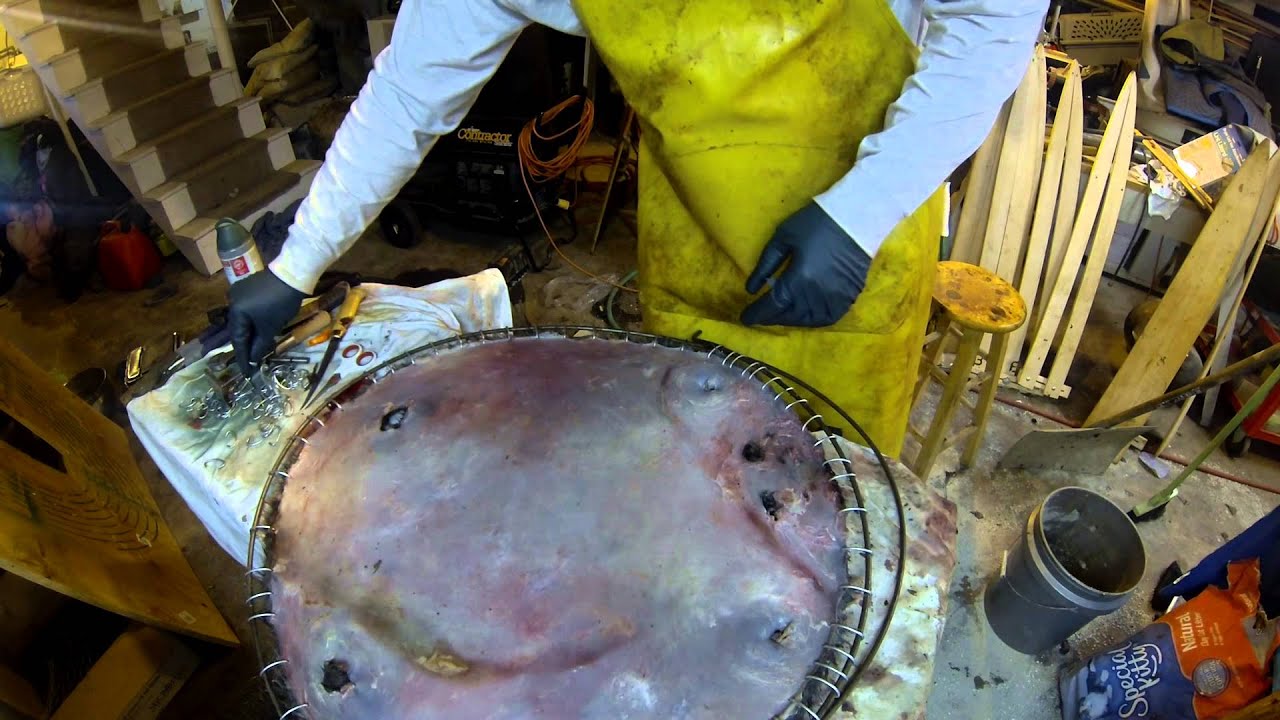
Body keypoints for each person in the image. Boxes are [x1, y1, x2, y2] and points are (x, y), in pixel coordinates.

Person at [230, 0, 1047, 456]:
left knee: (831, 505)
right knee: (697, 483)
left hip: (855, 251)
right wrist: (297, 262)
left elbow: (994, 18)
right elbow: (411, 94)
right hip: (688, 241)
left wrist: (861, 210)